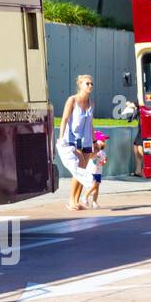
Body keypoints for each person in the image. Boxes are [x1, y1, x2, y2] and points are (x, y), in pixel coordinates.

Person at [57, 75, 95, 211]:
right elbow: (64, 119)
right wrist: (61, 138)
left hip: (86, 140)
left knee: (83, 171)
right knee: (78, 170)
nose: (90, 86)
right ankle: (71, 200)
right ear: (80, 85)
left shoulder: (91, 103)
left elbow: (91, 124)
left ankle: (77, 201)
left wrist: (94, 141)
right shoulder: (72, 100)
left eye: (91, 84)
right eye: (87, 84)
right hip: (74, 139)